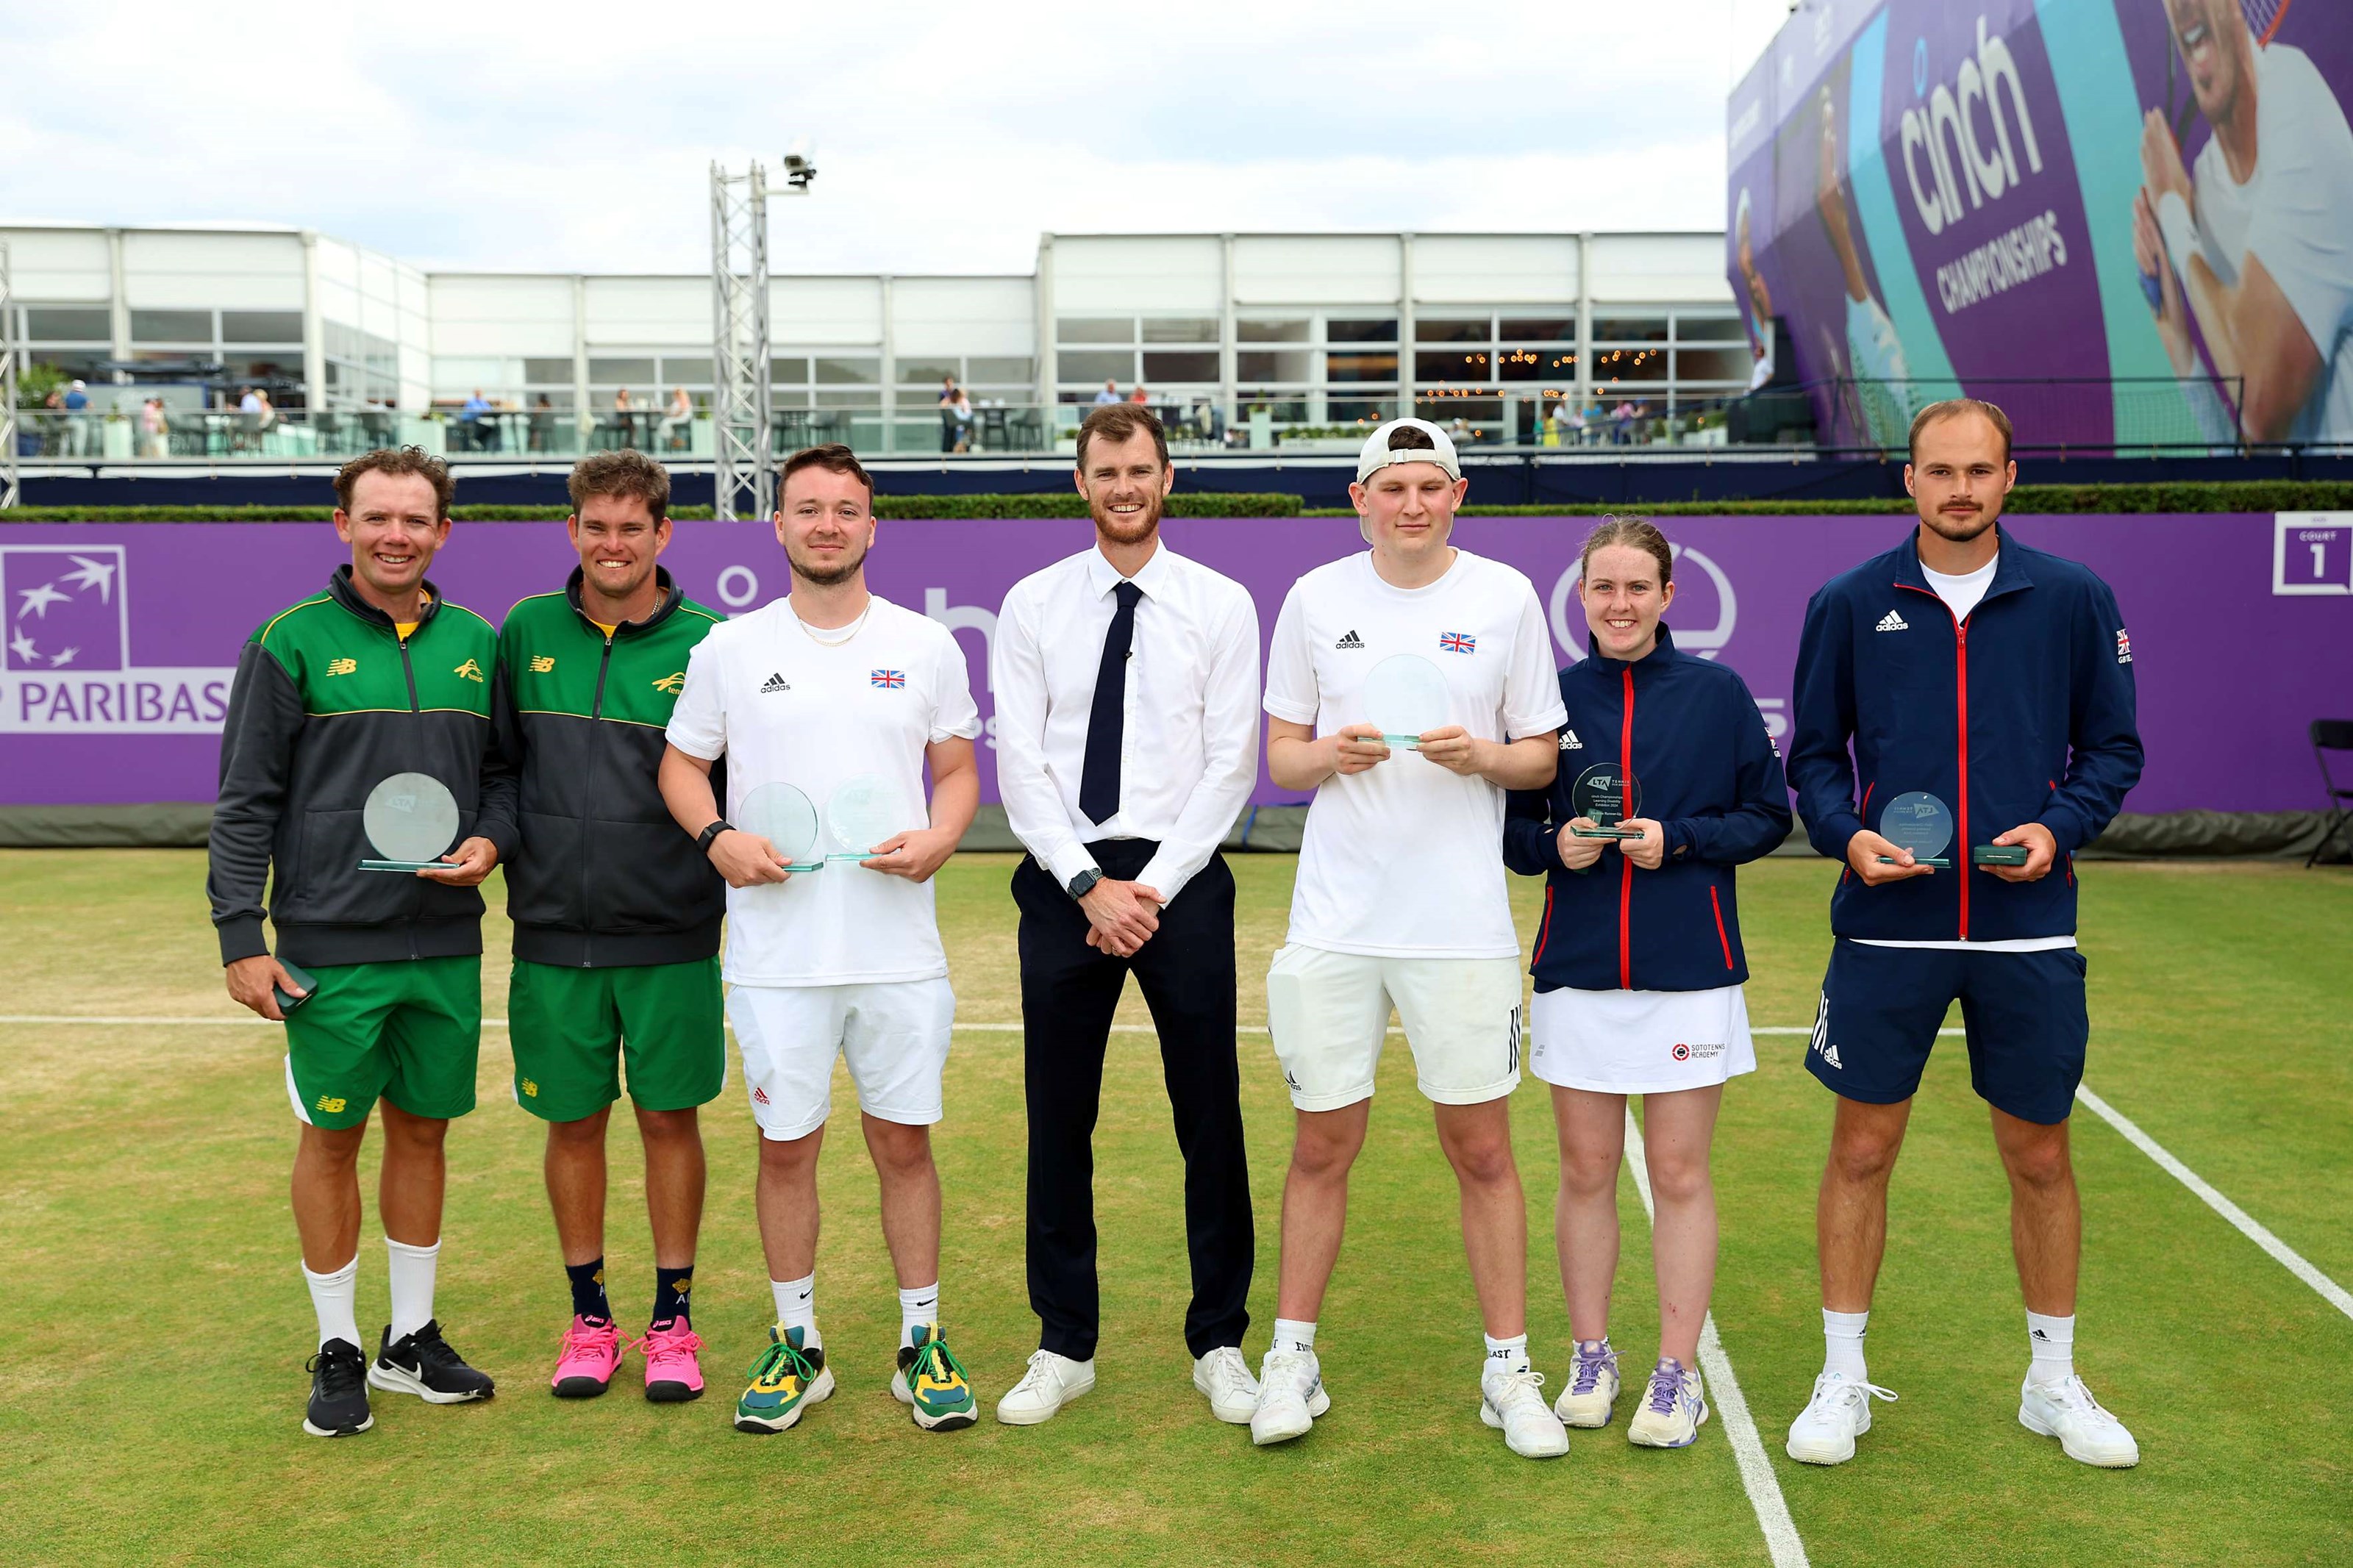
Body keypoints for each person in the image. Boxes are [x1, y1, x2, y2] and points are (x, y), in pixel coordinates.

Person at [1784, 398, 2144, 1469]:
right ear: (1908, 481)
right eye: (1940, 470)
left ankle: (2052, 1380)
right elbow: (1811, 758)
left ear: (2010, 477)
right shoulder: (1847, 602)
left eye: (1979, 470)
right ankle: (1841, 1377)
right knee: (1862, 1147)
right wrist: (1847, 836)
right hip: (1888, 928)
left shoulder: (2076, 599)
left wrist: (2059, 826)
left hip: (2026, 927)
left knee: (2039, 1154)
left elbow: (2113, 752)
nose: (1960, 489)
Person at [1253, 418, 1568, 1458]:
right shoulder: (1315, 598)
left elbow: (1538, 760)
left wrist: (1480, 754)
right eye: (1392, 488)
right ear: (1361, 500)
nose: (1412, 504)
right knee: (1321, 1146)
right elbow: (1282, 761)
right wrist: (1326, 756)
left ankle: (1509, 1369)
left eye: (1430, 486)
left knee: (1481, 1149)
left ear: (1459, 495)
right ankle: (1291, 1359)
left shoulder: (1506, 597)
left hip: (1461, 926)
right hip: (1336, 926)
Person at [659, 443, 985, 1435]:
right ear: (781, 526)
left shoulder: (925, 645)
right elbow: (681, 768)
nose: (828, 524)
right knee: (786, 1148)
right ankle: (797, 1343)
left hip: (896, 953)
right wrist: (717, 837)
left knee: (904, 1146)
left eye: (846, 509)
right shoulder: (730, 649)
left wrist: (940, 835)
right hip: (776, 960)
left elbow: (960, 771)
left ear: (871, 526)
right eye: (810, 509)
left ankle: (919, 1343)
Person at [207, 446, 515, 1439]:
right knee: (332, 1137)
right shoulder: (289, 641)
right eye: (377, 517)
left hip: (445, 944)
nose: (396, 535)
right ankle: (339, 1343)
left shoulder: (476, 641)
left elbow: (505, 776)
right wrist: (237, 935)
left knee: (424, 1132)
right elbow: (245, 799)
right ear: (342, 524)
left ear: (443, 533)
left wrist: (490, 840)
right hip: (328, 949)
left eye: (415, 520)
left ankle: (410, 1338)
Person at [990, 402, 1263, 1429]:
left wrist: (1154, 887)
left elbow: (1232, 759)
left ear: (1167, 477)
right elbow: (1022, 764)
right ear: (1081, 482)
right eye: (1106, 472)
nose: (1124, 487)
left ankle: (1221, 1341)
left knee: (1211, 1118)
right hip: (1067, 887)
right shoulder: (1033, 604)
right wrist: (1085, 886)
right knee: (1060, 1119)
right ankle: (1065, 1342)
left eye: (1140, 469)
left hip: (1181, 884)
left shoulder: (1220, 603)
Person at [1502, 517, 1791, 1450]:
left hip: (1688, 972)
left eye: (1636, 588)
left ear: (1669, 596)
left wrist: (1684, 839)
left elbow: (1766, 817)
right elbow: (1515, 841)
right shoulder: (1548, 700)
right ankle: (1592, 1357)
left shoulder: (1714, 693)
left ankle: (1675, 1375)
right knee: (1584, 1171)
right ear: (1578, 599)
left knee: (1676, 1172)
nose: (1618, 605)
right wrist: (1559, 848)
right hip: (1580, 973)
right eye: (1602, 589)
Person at [492, 450, 727, 1405]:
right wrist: (491, 844)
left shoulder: (713, 644)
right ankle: (591, 1319)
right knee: (573, 1123)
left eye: (633, 527)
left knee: (671, 1119)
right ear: (574, 531)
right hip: (551, 935)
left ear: (664, 535)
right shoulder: (525, 631)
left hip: (672, 934)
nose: (614, 544)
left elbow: (729, 786)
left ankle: (673, 1322)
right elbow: (501, 772)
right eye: (597, 527)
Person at [2135, 0, 2353, 443]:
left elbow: (2260, 413)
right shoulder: (2206, 187)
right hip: (2287, 507)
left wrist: (2174, 212)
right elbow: (2251, 451)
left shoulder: (2296, 97)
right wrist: (2179, 345)